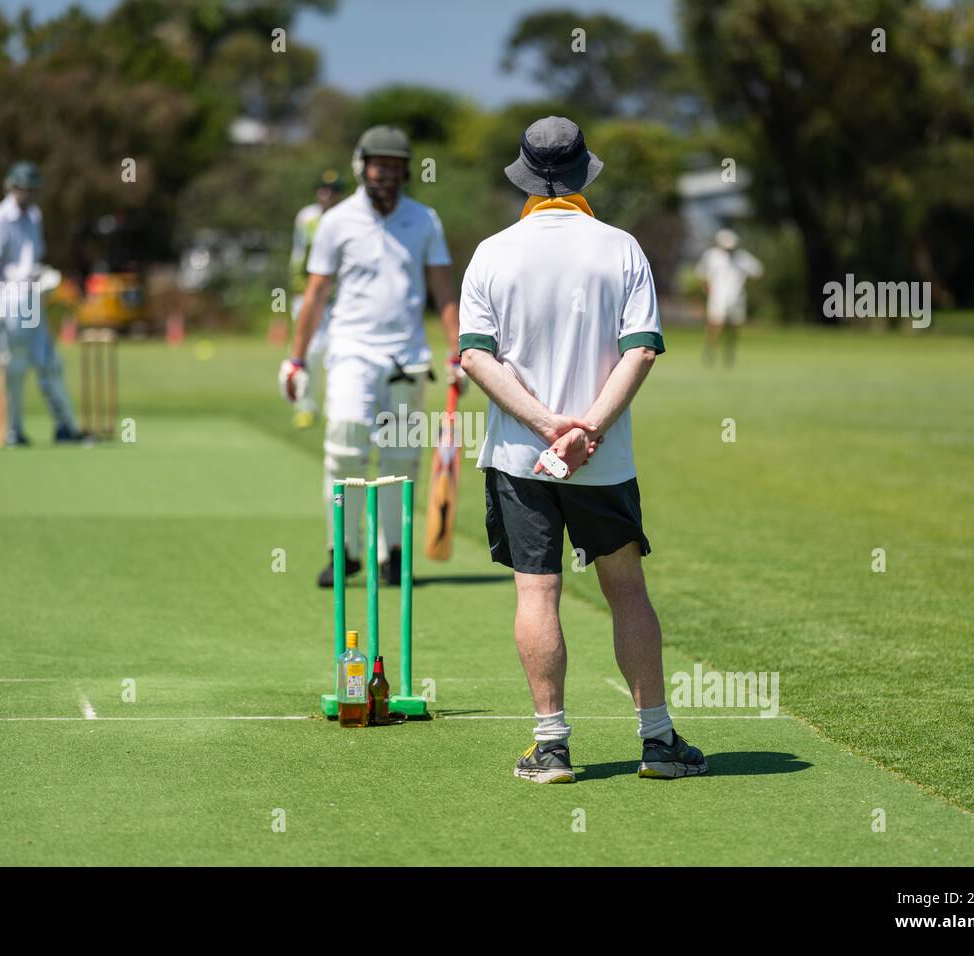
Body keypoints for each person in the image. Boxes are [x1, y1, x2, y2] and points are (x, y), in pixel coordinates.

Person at [457, 116, 707, 784]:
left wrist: (546, 426)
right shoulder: (622, 248)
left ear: (524, 176)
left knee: (537, 594)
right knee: (627, 591)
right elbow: (642, 348)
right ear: (582, 173)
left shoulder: (491, 252)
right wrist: (586, 430)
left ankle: (552, 748)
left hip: (519, 459)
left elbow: (474, 358)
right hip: (604, 459)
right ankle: (657, 743)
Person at [280, 126, 465, 587]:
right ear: (361, 166)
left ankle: (393, 552)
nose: (385, 172)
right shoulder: (336, 221)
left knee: (401, 457)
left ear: (406, 170)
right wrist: (296, 359)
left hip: (407, 354)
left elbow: (443, 288)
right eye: (377, 163)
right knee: (346, 447)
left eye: (394, 165)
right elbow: (317, 293)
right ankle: (344, 550)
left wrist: (459, 351)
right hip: (351, 351)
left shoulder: (424, 219)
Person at [0, 162, 86, 446]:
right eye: (22, 188)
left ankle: (66, 427)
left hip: (32, 297)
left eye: (31, 189)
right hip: (10, 301)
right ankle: (13, 433)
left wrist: (44, 275)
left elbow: (32, 259)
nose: (27, 193)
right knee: (13, 369)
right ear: (11, 187)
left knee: (50, 364)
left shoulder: (34, 216)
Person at [287, 169, 347, 427]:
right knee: (309, 351)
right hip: (308, 293)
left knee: (335, 352)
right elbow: (299, 254)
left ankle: (335, 406)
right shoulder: (307, 217)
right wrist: (300, 287)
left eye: (332, 190)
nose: (327, 194)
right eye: (323, 189)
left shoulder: (348, 218)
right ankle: (305, 406)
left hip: (338, 298)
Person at [696, 228, 763, 367]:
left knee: (733, 327)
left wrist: (745, 287)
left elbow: (757, 271)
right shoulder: (712, 256)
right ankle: (710, 353)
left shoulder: (742, 257)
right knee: (715, 325)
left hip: (737, 299)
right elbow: (701, 274)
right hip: (718, 298)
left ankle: (728, 354)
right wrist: (708, 291)